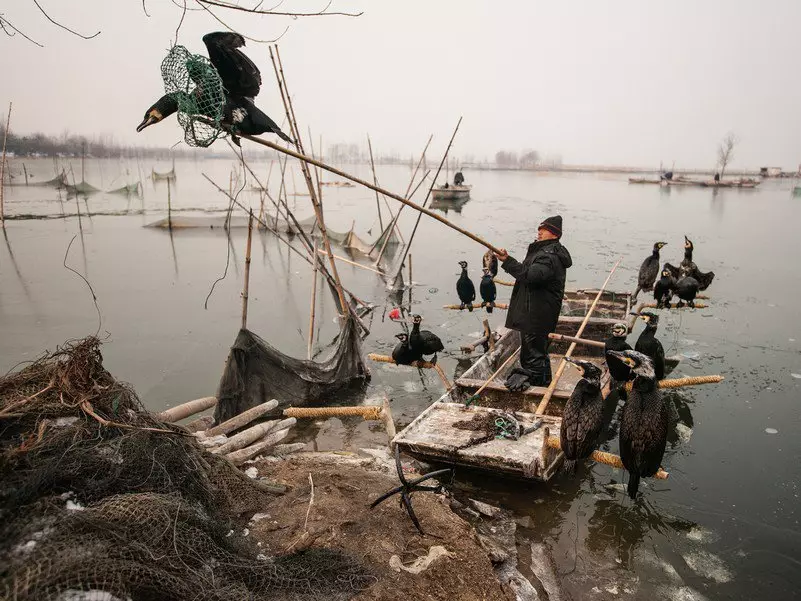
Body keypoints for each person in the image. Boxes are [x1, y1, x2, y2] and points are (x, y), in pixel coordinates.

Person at [494, 215, 572, 390]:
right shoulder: (545, 251)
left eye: (543, 230)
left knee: (533, 355)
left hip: (537, 314)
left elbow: (530, 276)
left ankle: (538, 387)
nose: (539, 232)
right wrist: (508, 260)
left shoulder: (548, 256)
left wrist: (507, 262)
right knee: (536, 352)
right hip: (538, 311)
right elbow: (529, 271)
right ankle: (543, 384)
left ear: (554, 234)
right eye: (539, 229)